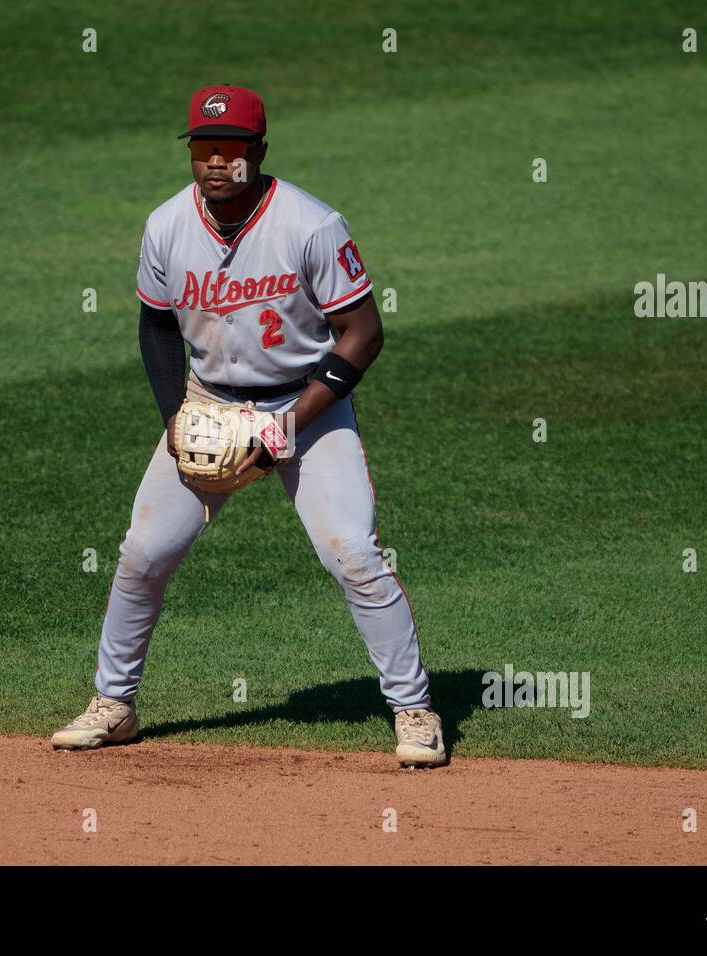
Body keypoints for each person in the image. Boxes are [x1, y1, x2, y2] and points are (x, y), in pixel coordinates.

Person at [51, 84, 445, 768]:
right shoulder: (167, 225)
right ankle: (113, 705)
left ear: (259, 152)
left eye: (231, 149)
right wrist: (175, 415)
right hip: (208, 404)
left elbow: (363, 333)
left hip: (305, 405)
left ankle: (414, 711)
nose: (215, 162)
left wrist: (288, 425)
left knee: (352, 551)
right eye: (204, 148)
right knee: (143, 553)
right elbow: (154, 324)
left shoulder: (312, 225)